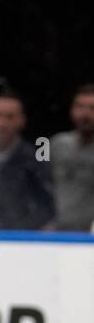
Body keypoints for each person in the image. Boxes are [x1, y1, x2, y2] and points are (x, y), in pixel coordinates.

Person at [0, 91, 54, 230]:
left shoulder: (33, 160)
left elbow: (45, 206)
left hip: (13, 234)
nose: (2, 123)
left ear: (21, 121)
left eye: (9, 117)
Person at [52, 84, 94, 232]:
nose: (85, 114)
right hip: (58, 232)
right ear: (72, 110)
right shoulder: (56, 144)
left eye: (92, 108)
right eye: (80, 107)